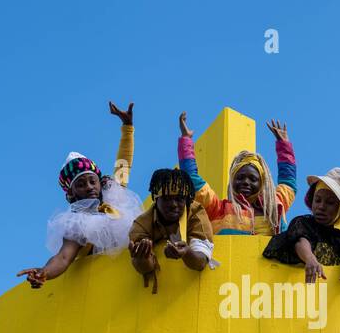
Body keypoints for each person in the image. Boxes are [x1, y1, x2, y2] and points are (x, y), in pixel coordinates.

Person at [17, 100, 139, 289]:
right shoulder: (76, 223)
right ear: (72, 193)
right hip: (102, 284)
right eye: (81, 185)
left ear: (100, 181)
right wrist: (44, 273)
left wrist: (127, 127)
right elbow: (64, 257)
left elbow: (123, 163)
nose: (89, 187)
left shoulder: (114, 194)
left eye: (92, 181)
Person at [261, 166, 340, 296]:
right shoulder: (303, 222)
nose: (321, 206)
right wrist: (310, 258)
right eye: (317, 200)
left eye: (330, 202)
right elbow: (300, 240)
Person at [177, 112, 296, 235]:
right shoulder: (219, 210)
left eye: (253, 179)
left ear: (261, 183)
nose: (246, 182)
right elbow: (192, 180)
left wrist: (284, 145)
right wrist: (186, 140)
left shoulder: (274, 207)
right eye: (240, 177)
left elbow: (288, 183)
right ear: (232, 181)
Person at [129, 168, 217, 293]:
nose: (173, 204)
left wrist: (186, 253)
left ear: (187, 200)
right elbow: (146, 268)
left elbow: (201, 261)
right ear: (156, 199)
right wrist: (142, 261)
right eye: (166, 198)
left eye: (180, 199)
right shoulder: (142, 224)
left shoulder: (196, 212)